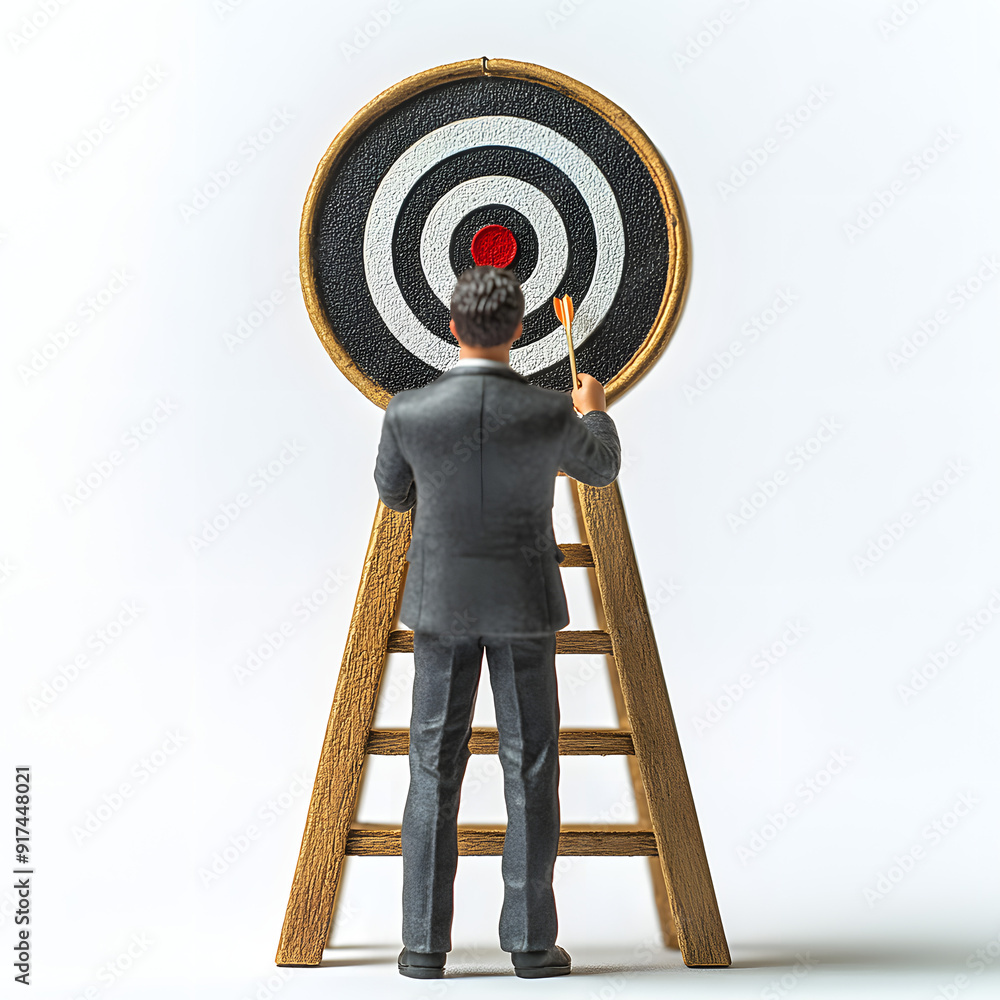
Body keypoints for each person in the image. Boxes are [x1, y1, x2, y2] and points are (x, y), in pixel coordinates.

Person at [373, 265, 621, 979]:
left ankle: (423, 946)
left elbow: (395, 494)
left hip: (442, 607)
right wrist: (594, 409)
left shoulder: (409, 412)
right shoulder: (550, 415)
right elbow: (600, 467)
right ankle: (531, 943)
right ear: (518, 330)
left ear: (453, 327)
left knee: (431, 766)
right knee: (532, 766)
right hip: (522, 605)